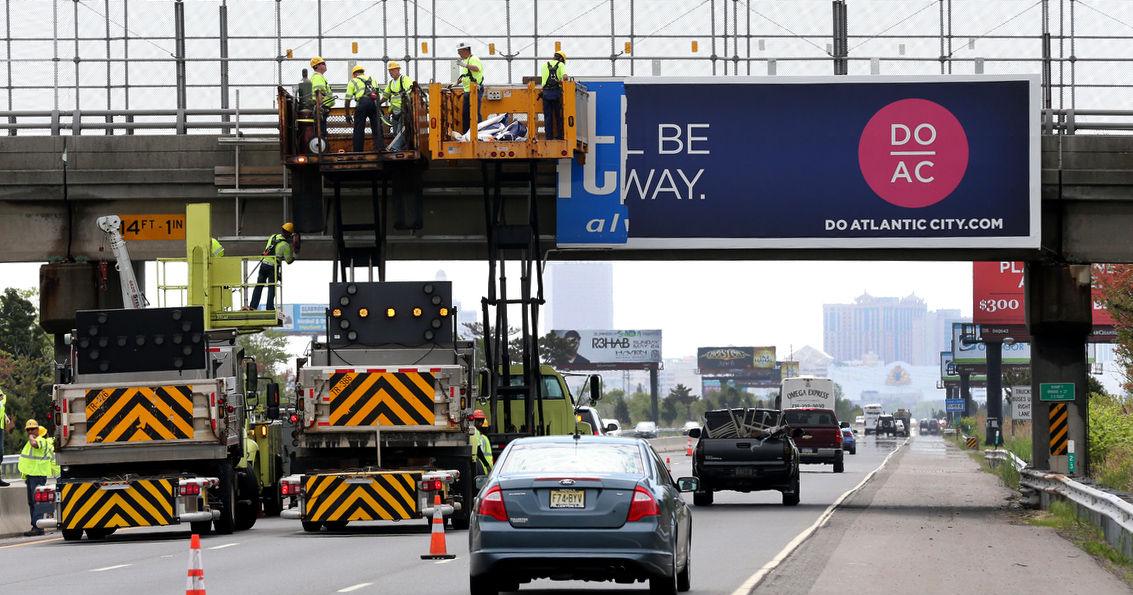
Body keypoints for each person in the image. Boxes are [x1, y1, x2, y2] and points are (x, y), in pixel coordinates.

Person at [19, 419, 54, 536]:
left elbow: (35, 445)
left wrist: (31, 437)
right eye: (28, 429)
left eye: (32, 429)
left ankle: (38, 527)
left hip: (38, 475)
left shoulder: (42, 441)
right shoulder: (30, 441)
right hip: (31, 476)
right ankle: (36, 526)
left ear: (38, 429)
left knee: (36, 502)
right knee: (31, 502)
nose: (30, 431)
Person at [249, 222, 296, 311]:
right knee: (272, 287)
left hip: (264, 264)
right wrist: (294, 256)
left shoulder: (273, 237)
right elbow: (288, 261)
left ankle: (253, 306)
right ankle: (269, 307)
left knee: (259, 285)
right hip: (272, 268)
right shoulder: (285, 245)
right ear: (289, 234)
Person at [344, 64, 383, 153]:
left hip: (362, 104)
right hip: (373, 104)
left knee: (359, 129)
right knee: (377, 127)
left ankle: (358, 151)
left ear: (354, 74)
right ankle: (380, 148)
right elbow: (378, 94)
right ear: (362, 72)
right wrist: (378, 108)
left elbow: (347, 99)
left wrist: (347, 114)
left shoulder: (353, 81)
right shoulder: (372, 79)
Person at [384, 61, 415, 152]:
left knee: (400, 132)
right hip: (394, 111)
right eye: (389, 71)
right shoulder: (391, 83)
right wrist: (379, 103)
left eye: (392, 70)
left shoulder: (405, 79)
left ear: (398, 70)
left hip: (403, 110)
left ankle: (395, 148)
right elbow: (386, 95)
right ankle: (401, 149)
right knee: (395, 133)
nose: (390, 72)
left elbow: (410, 91)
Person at [455, 42, 484, 133]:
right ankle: (467, 134)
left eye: (460, 51)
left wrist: (464, 65)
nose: (459, 54)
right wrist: (456, 82)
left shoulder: (473, 59)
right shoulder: (467, 60)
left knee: (474, 114)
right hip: (468, 91)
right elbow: (467, 75)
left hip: (474, 90)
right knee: (466, 114)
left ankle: (478, 134)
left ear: (465, 50)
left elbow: (476, 68)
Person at [540, 50, 568, 140]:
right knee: (558, 115)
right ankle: (560, 136)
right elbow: (565, 77)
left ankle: (549, 137)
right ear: (561, 58)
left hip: (546, 93)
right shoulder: (561, 65)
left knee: (548, 116)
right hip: (556, 93)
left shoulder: (544, 65)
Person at [309, 56, 336, 143]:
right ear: (317, 66)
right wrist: (320, 107)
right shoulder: (317, 77)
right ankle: (321, 148)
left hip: (322, 108)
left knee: (322, 130)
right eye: (323, 63)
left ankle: (322, 145)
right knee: (321, 131)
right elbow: (318, 92)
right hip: (321, 108)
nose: (325, 65)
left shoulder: (320, 77)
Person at [469, 409, 493, 476]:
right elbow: (478, 450)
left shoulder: (478, 433)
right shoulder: (475, 431)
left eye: (482, 421)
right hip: (479, 465)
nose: (480, 423)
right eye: (478, 421)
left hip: (480, 466)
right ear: (474, 420)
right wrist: (487, 465)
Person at [0, 388, 9, 487]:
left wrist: (5, 416)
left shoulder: (0, 391)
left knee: (0, 453)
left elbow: (1, 404)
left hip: (0, 428)